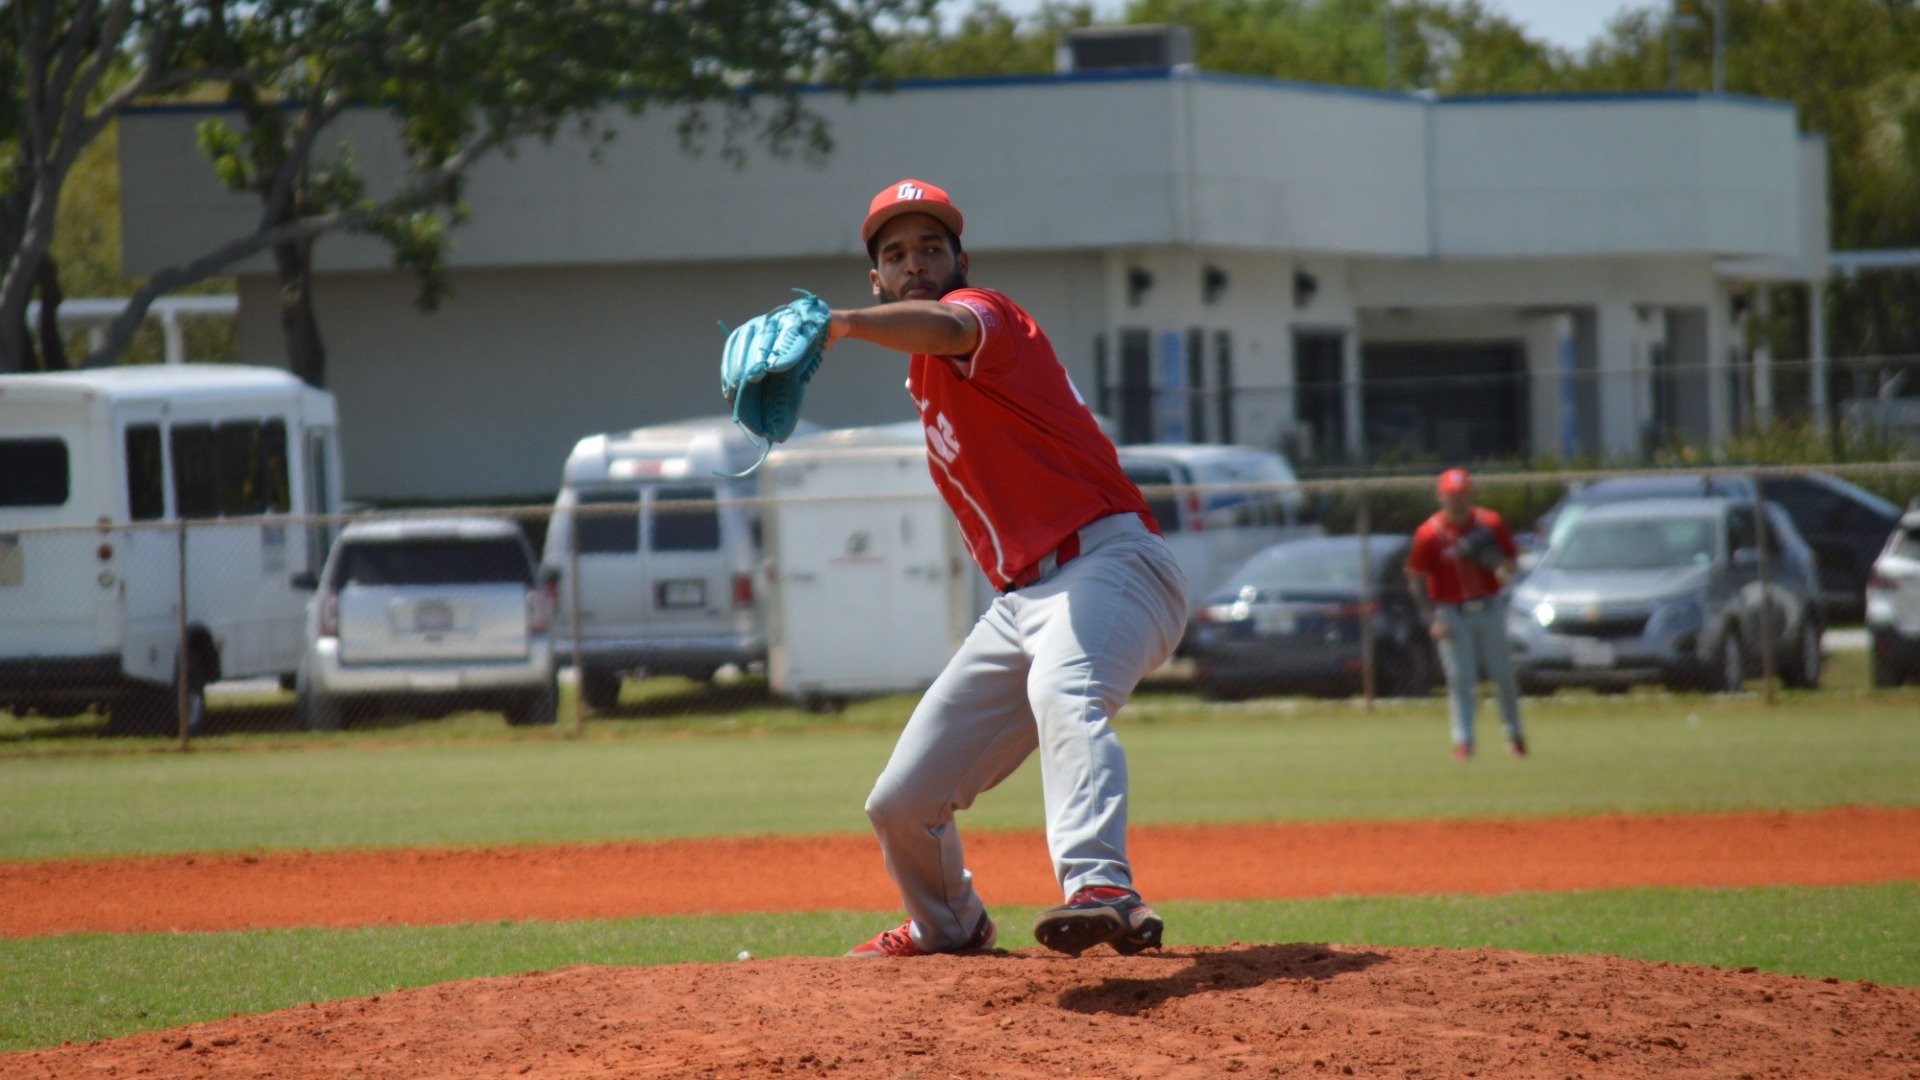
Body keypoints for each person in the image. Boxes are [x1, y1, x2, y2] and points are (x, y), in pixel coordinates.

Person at [825, 178, 1189, 959]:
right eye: (896, 253)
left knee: (1065, 689)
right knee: (901, 802)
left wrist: (847, 325)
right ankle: (949, 926)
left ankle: (1104, 887)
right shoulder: (924, 375)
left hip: (1111, 561)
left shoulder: (989, 316)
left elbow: (947, 325)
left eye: (931, 247)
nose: (915, 262)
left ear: (962, 259)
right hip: (1023, 601)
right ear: (877, 275)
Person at [1404, 467, 1527, 761]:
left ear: (1470, 494)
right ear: (1440, 497)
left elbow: (1512, 566)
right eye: (1451, 496)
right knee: (1461, 679)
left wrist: (1495, 560)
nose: (1457, 501)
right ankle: (1464, 742)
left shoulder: (1490, 523)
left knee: (1503, 675)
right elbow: (1415, 578)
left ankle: (1515, 736)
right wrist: (1431, 619)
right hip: (1451, 611)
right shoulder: (1429, 534)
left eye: (1461, 495)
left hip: (1489, 605)